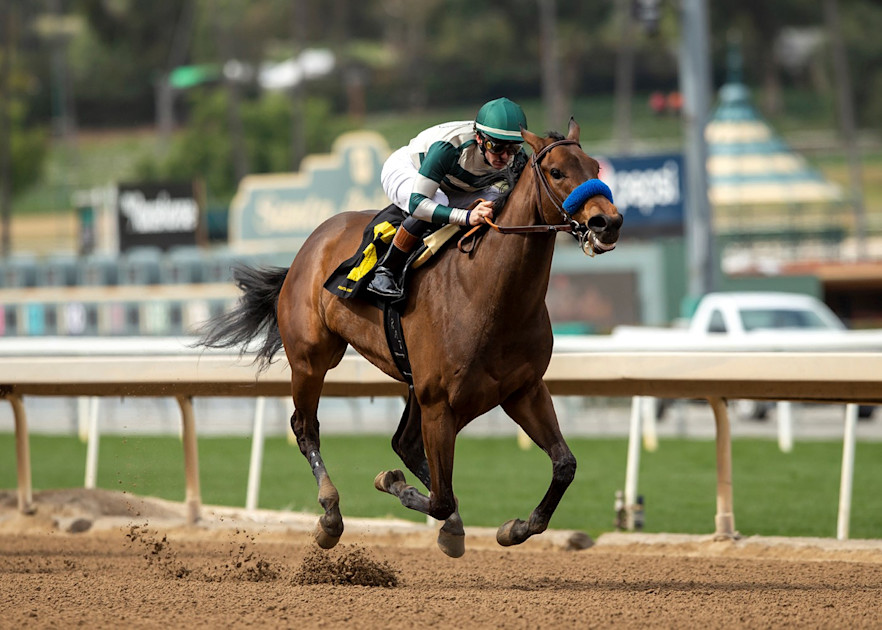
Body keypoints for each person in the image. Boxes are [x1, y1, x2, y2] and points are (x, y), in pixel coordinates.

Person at [367, 97, 528, 298]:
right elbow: (418, 204)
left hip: (455, 183)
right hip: (409, 169)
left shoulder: (517, 158)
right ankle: (385, 270)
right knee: (438, 202)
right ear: (479, 138)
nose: (504, 156)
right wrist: (467, 217)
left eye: (512, 148)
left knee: (498, 202)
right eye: (496, 147)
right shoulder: (448, 147)